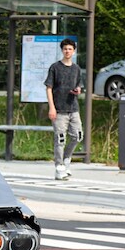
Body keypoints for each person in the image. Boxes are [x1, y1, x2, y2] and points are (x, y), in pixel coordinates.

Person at [44, 38, 84, 180]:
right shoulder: (55, 67)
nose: (67, 51)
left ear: (74, 51)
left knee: (77, 136)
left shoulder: (76, 69)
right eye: (65, 49)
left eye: (70, 49)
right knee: (60, 138)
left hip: (73, 108)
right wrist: (52, 108)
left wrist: (78, 90)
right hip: (59, 109)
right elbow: (49, 88)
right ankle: (59, 166)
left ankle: (67, 159)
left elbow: (79, 85)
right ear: (62, 50)